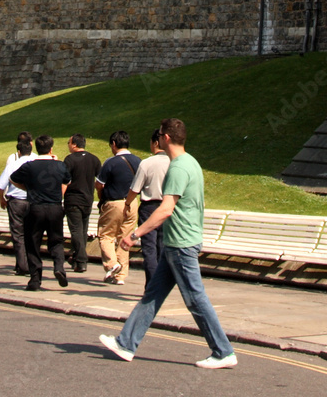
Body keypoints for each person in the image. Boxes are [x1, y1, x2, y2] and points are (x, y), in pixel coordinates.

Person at [99, 118, 237, 370]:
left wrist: (134, 235)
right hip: (177, 243)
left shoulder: (179, 168)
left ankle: (223, 351)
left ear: (167, 138)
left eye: (160, 134)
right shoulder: (190, 162)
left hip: (182, 244)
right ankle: (126, 343)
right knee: (152, 295)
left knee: (195, 298)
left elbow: (165, 209)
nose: (158, 138)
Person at [9, 134, 71, 291]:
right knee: (56, 241)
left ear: (36, 148)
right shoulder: (60, 165)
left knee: (33, 243)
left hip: (35, 207)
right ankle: (59, 267)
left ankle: (35, 279)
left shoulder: (29, 166)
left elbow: (12, 179)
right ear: (51, 149)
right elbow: (67, 181)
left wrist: (28, 188)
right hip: (55, 207)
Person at [124, 129, 170, 284]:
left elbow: (135, 189)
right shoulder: (174, 162)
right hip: (167, 206)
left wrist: (127, 203)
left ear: (155, 143)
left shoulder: (147, 163)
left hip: (149, 206)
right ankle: (161, 283)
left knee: (149, 247)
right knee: (162, 247)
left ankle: (151, 284)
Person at [95, 130, 140, 285]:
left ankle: (111, 263)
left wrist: (100, 194)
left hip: (114, 203)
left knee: (105, 236)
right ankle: (120, 276)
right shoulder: (138, 161)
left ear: (114, 144)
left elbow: (99, 184)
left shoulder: (111, 162)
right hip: (132, 203)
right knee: (124, 238)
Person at [63, 133, 100, 273]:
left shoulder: (70, 160)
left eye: (69, 142)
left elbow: (65, 180)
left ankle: (82, 259)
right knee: (82, 230)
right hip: (88, 199)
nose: (68, 145)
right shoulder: (94, 159)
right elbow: (100, 179)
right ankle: (77, 257)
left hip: (73, 199)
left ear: (74, 144)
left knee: (76, 230)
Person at [0, 140, 34, 275]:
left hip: (16, 202)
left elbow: (1, 185)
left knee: (18, 235)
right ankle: (31, 263)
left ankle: (22, 265)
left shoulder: (13, 165)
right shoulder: (35, 164)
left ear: (19, 152)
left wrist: (2, 198)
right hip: (32, 202)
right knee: (30, 233)